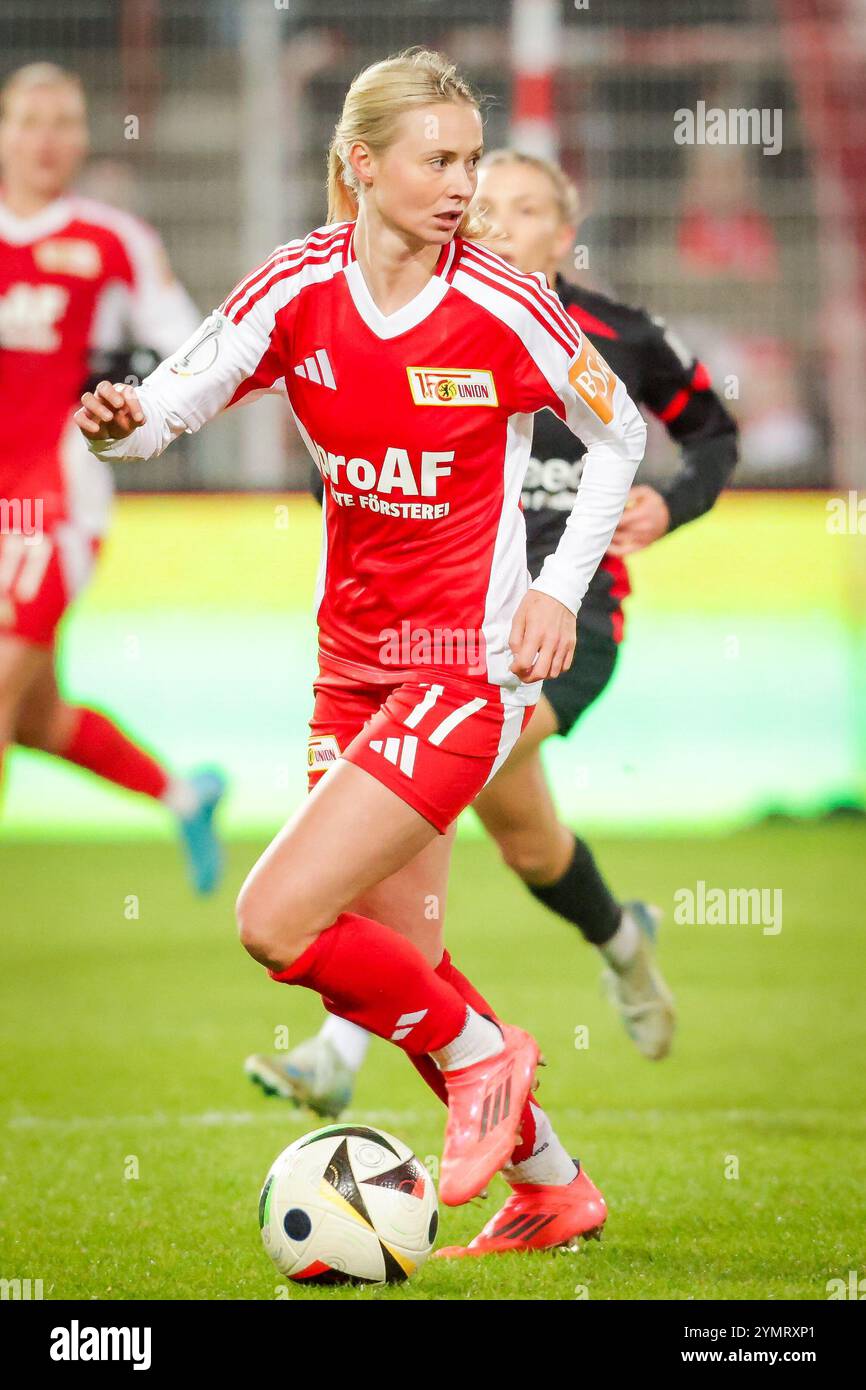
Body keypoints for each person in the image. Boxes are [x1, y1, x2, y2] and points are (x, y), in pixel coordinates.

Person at [75, 48, 647, 1260]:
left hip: (465, 668)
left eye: (471, 160)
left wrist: (555, 587)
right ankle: (552, 1186)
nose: (459, 185)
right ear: (361, 165)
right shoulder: (297, 287)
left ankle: (486, 1055)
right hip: (351, 669)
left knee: (278, 920)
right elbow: (169, 405)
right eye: (436, 161)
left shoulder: (500, 304)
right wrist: (119, 422)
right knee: (390, 964)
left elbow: (619, 433)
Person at [248, 148, 739, 1117]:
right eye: (491, 206)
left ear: (564, 230)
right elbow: (349, 452)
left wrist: (667, 502)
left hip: (564, 620)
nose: (501, 222)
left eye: (527, 208)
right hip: (442, 626)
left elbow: (712, 428)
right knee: (527, 844)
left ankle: (341, 1045)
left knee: (412, 789)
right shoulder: (439, 322)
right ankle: (621, 939)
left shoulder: (618, 336)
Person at [0, 62, 226, 893]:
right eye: (29, 120)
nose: (46, 138)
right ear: (3, 131)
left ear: (85, 137)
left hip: (52, 503)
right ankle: (183, 794)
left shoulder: (111, 241)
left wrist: (139, 401)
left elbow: (190, 351)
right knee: (35, 717)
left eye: (63, 120)